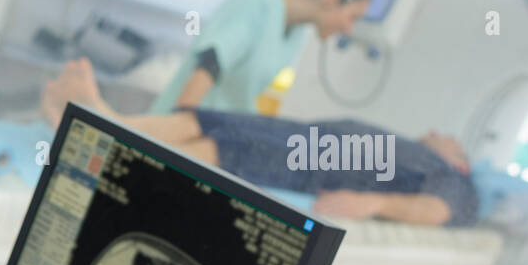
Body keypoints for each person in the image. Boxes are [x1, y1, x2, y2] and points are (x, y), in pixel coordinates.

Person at [44, 58, 479, 227]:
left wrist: (372, 204)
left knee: (228, 150)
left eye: (450, 140)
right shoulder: (423, 156)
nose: (439, 134)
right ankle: (108, 120)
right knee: (205, 121)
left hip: (313, 159)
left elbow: (436, 211)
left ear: (460, 164)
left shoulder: (456, 183)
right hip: (308, 137)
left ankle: (112, 158)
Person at [150, 0, 379, 114]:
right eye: (353, 17)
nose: (349, 29)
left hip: (210, 136)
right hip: (176, 131)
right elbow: (207, 66)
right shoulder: (258, 0)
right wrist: (176, 135)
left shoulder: (297, 31)